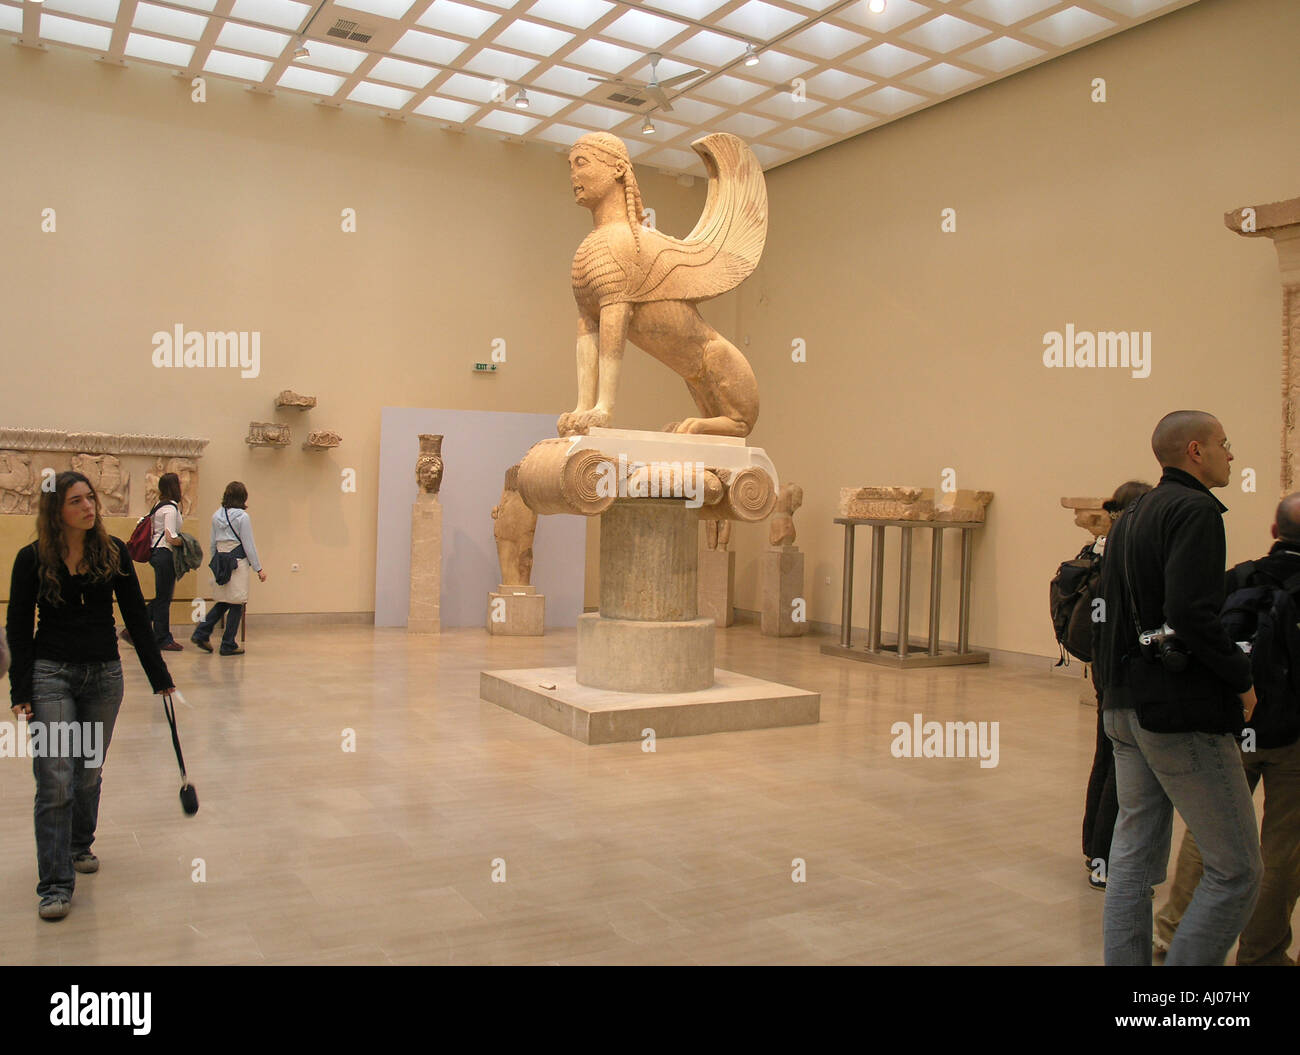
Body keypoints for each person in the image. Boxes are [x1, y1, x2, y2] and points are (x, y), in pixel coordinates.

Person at [1093, 410, 1261, 965]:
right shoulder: (1194, 511)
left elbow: (1116, 614)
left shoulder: (1134, 512)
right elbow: (1192, 614)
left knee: (1133, 862)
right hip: (1175, 710)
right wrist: (1242, 681)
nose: (1231, 454)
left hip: (1123, 706)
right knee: (1236, 868)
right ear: (1195, 450)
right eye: (1224, 444)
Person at [6, 471, 176, 921]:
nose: (88, 507)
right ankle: (56, 884)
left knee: (86, 772)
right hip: (51, 673)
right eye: (76, 501)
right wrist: (19, 688)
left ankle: (80, 843)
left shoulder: (113, 552)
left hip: (103, 675)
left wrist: (159, 674)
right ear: (55, 510)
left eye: (90, 498)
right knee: (55, 778)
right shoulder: (31, 559)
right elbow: (18, 629)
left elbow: (137, 617)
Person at [1155, 493, 1300, 964]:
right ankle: (1262, 954)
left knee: (1211, 833)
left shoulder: (1240, 575)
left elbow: (1199, 631)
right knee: (1283, 843)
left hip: (1233, 721)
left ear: (1274, 532)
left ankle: (1174, 933)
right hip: (1293, 734)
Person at [1081, 480, 1151, 891]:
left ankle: (1095, 848)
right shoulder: (1127, 554)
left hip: (1106, 673)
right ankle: (1105, 857)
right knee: (1120, 771)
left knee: (1106, 759)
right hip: (1121, 677)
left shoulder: (1105, 550)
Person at [191, 481, 265, 656]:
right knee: (237, 602)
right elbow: (248, 544)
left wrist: (215, 562)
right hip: (237, 562)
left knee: (223, 600)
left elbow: (212, 542)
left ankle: (202, 632)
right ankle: (228, 643)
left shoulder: (217, 515)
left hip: (221, 560)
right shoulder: (242, 517)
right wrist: (258, 568)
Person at [147, 472, 184, 652]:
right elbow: (170, 536)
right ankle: (162, 638)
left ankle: (134, 628)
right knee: (164, 598)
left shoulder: (158, 505)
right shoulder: (170, 508)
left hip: (156, 552)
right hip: (164, 553)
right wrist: (185, 542)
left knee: (162, 596)